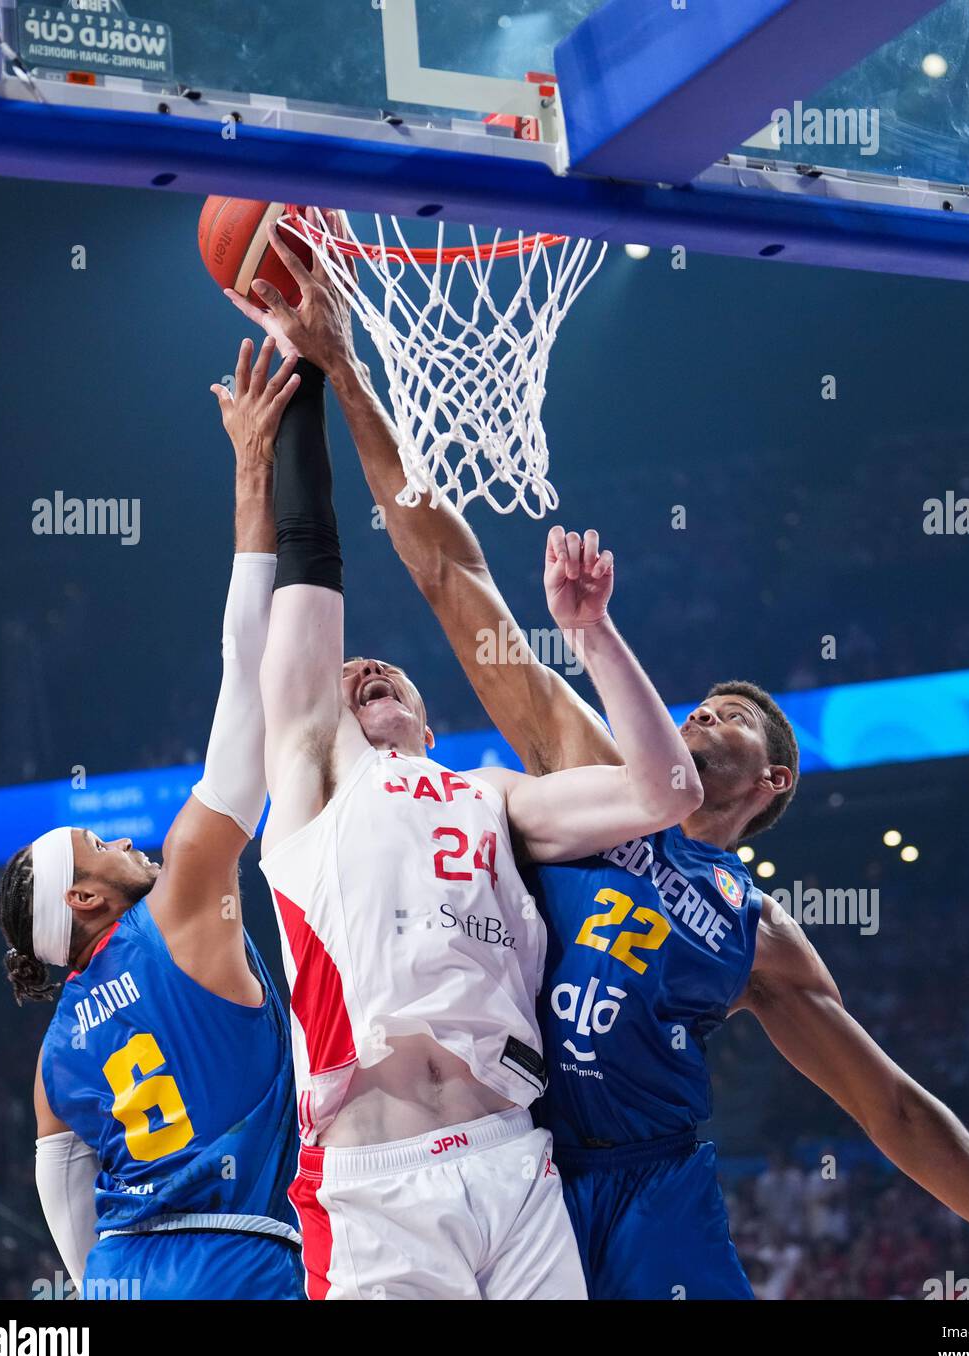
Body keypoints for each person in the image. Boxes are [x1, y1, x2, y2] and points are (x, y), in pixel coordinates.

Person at [229, 225, 969, 1304]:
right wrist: (347, 370)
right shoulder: (580, 764)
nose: (710, 709)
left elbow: (894, 1110)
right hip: (511, 1154)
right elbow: (446, 564)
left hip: (648, 1195)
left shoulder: (754, 930)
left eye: (737, 712)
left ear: (773, 781)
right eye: (706, 700)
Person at [230, 235, 703, 1300]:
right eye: (347, 681)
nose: (362, 678)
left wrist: (591, 639)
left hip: (514, 1165)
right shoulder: (309, 789)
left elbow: (668, 792)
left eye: (384, 675)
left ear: (431, 723)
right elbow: (311, 556)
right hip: (373, 1187)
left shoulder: (488, 796)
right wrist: (303, 363)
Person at [0, 340, 305, 1300]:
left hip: (131, 1272)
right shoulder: (180, 905)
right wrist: (255, 470)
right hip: (239, 1252)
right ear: (86, 895)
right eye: (99, 845)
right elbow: (246, 680)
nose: (124, 839)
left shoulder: (55, 1060)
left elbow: (64, 1210)